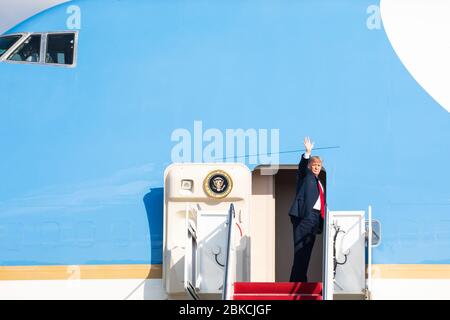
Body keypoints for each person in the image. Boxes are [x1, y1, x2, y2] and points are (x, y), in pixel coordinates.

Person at [288, 136, 326, 282]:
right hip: (304, 217)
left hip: (315, 219)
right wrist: (307, 153)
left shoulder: (318, 182)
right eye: (314, 164)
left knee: (307, 251)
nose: (316, 167)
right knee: (300, 250)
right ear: (310, 166)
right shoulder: (306, 176)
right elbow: (302, 167)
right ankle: (297, 281)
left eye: (318, 165)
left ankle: (300, 279)